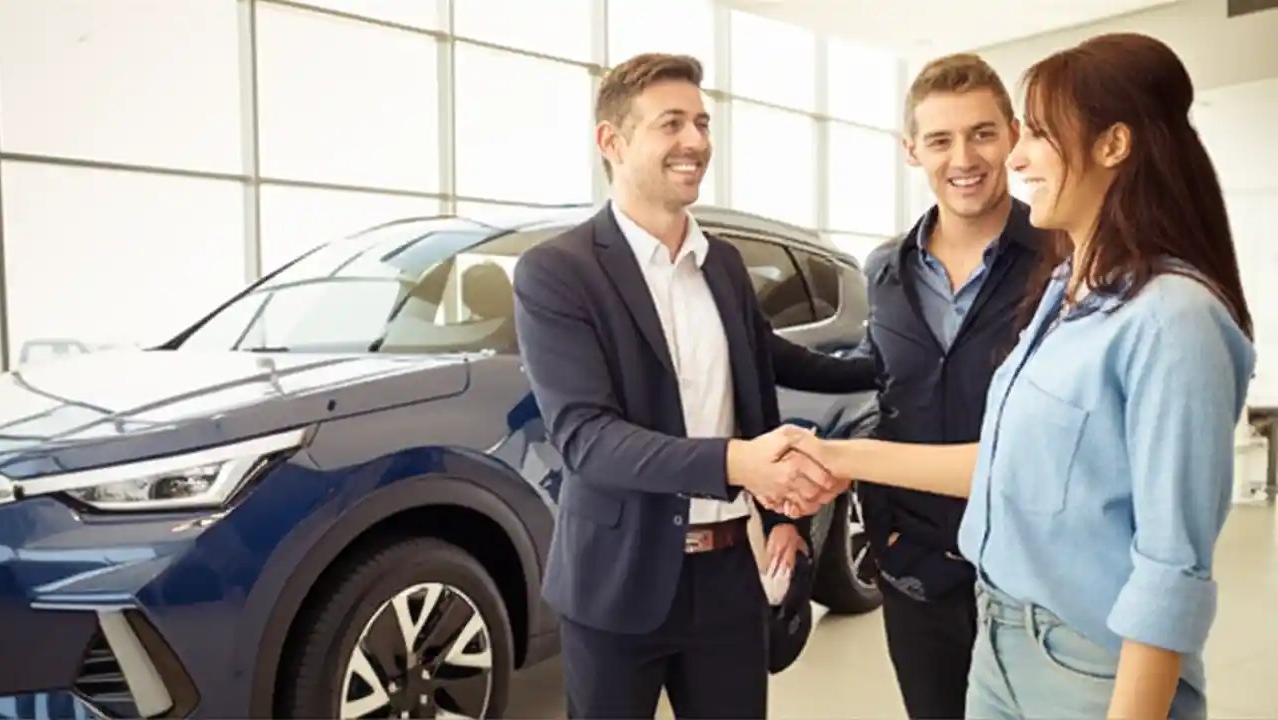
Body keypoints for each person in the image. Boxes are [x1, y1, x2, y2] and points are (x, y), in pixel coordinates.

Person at [784, 33, 1255, 719]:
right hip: (1002, 644)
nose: (1017, 156)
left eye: (1031, 132)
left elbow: (1171, 570)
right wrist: (832, 455)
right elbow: (1008, 464)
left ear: (1113, 145)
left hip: (1089, 662)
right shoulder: (1067, 291)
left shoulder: (1173, 318)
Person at [511, 52, 872, 719]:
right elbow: (589, 440)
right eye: (671, 123)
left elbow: (771, 368)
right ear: (611, 142)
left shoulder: (722, 263)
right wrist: (743, 465)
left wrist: (901, 362)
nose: (697, 142)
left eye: (703, 123)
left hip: (729, 578)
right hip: (616, 582)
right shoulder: (557, 273)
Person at [852, 53, 1045, 720]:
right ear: (913, 150)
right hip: (918, 576)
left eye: (982, 133)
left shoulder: (1065, 254)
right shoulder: (883, 270)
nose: (963, 157)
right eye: (940, 139)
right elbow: (883, 388)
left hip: (1036, 583)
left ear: (1013, 134)